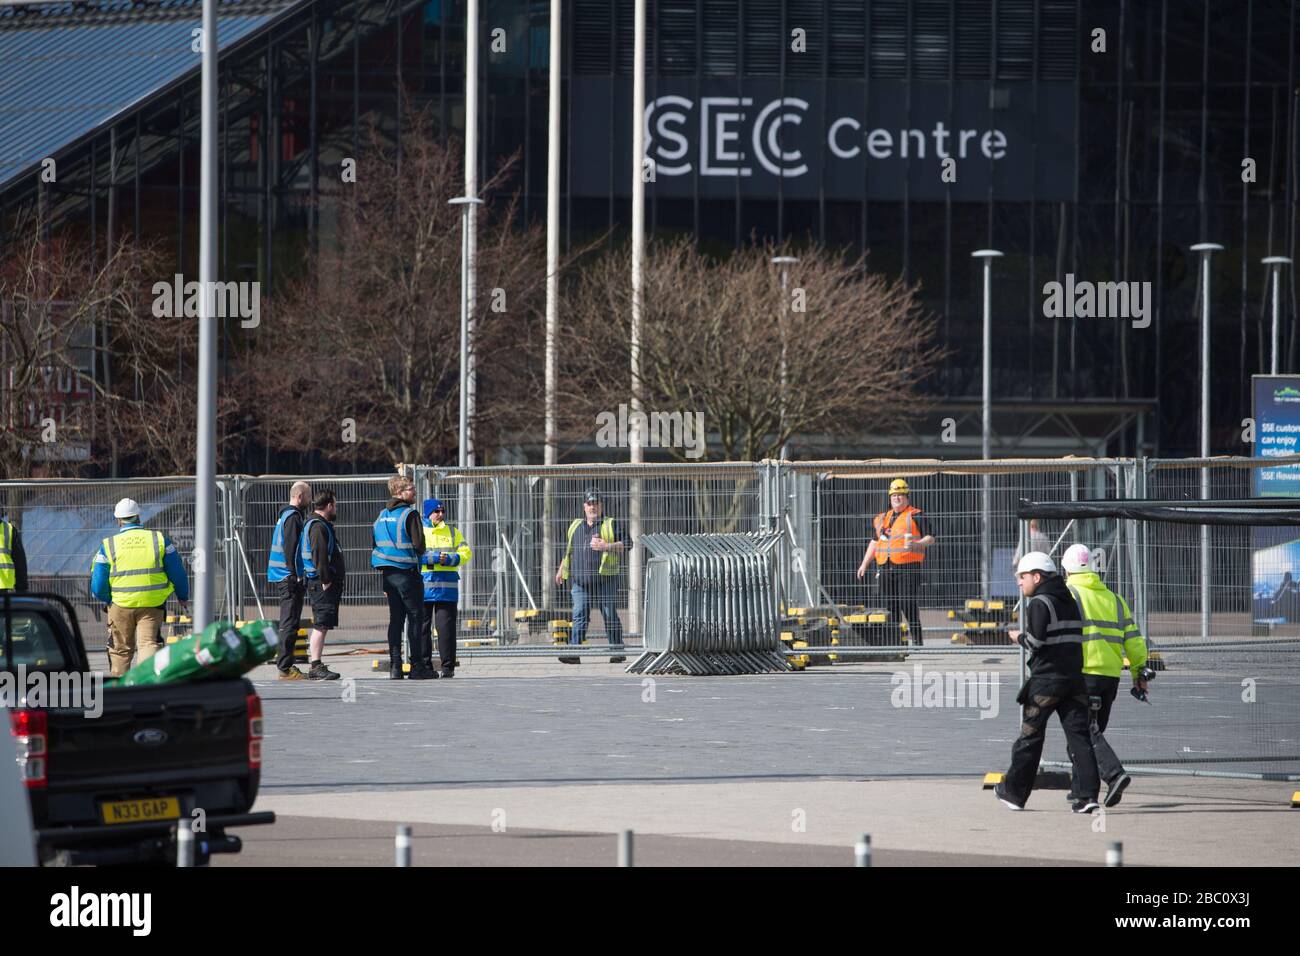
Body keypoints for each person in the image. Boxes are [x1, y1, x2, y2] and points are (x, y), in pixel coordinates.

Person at [994, 552, 1100, 813]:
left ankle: (1014, 793)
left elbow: (1035, 643)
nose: (1019, 582)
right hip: (1074, 679)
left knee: (1030, 736)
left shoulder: (1039, 603)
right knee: (1080, 738)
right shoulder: (1070, 600)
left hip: (1046, 681)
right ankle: (1088, 797)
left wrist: (1018, 637)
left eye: (1022, 576)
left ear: (1037, 576)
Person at [1062, 543, 1148, 807]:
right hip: (1110, 676)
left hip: (1082, 672)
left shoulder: (1068, 595)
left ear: (1065, 569)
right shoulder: (1113, 598)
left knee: (1083, 734)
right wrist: (1138, 671)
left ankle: (1114, 775)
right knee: (1090, 733)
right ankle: (1080, 791)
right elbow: (1133, 640)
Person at [90, 498, 190, 678]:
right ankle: (146, 685)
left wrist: (108, 599)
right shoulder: (159, 540)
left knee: (120, 650)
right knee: (148, 644)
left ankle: (120, 691)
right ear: (138, 517)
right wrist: (182, 595)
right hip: (152, 604)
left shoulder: (108, 545)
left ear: (118, 520)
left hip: (120, 605)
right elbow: (178, 572)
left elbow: (97, 584)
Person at [554, 488, 629, 665]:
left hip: (605, 580)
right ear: (584, 506)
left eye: (596, 503)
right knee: (579, 614)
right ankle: (574, 652)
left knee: (609, 614)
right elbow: (569, 551)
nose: (592, 506)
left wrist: (607, 546)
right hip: (580, 581)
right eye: (589, 503)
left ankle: (617, 651)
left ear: (601, 505)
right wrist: (561, 569)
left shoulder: (611, 524)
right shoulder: (575, 526)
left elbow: (628, 543)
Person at [856, 478, 934, 645]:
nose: (897, 498)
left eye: (900, 495)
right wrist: (864, 564)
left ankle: (917, 641)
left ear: (907, 497)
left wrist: (917, 544)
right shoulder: (883, 518)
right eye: (894, 495)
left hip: (908, 567)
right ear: (890, 498)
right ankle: (896, 641)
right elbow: (875, 542)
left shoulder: (916, 515)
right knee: (890, 605)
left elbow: (930, 538)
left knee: (908, 603)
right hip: (885, 567)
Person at [371, 475, 431, 679]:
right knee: (416, 618)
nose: (414, 492)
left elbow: (376, 544)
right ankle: (417, 667)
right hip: (407, 573)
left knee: (395, 620)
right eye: (411, 489)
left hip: (388, 575)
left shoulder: (381, 515)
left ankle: (395, 667)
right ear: (400, 492)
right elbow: (419, 545)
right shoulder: (410, 514)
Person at [420, 498, 472, 678]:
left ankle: (448, 667)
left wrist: (451, 559)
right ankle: (424, 666)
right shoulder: (418, 530)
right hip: (423, 587)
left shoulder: (452, 531)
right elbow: (410, 553)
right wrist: (432, 558)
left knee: (446, 628)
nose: (441, 515)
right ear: (428, 513)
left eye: (443, 511)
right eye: (436, 511)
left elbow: (466, 552)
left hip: (446, 588)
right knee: (422, 629)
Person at [268, 480, 311, 680]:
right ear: (300, 496)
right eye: (308, 496)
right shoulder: (293, 517)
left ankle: (285, 664)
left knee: (289, 621)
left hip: (281, 574)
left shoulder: (284, 516)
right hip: (288, 577)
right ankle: (285, 667)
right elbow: (291, 549)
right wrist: (296, 574)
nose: (310, 501)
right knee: (289, 622)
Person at [299, 490, 344, 681]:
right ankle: (316, 666)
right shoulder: (318, 527)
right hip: (320, 584)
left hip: (321, 582)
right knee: (321, 624)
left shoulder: (320, 524)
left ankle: (317, 665)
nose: (336, 507)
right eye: (335, 504)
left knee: (323, 624)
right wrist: (326, 580)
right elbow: (320, 556)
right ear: (329, 506)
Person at [0, 511, 29, 592]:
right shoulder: (9, 529)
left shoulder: (9, 530)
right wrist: (22, 589)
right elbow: (20, 562)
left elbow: (20, 562)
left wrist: (21, 588)